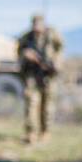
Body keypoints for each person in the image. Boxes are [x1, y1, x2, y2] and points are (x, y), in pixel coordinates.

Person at [18, 13, 64, 143]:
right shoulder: (27, 38)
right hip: (32, 73)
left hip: (48, 74)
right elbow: (19, 51)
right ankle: (31, 132)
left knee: (47, 105)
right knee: (31, 103)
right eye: (34, 24)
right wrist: (26, 55)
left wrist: (55, 62)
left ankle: (45, 132)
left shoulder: (52, 35)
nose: (36, 27)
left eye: (39, 24)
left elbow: (60, 49)